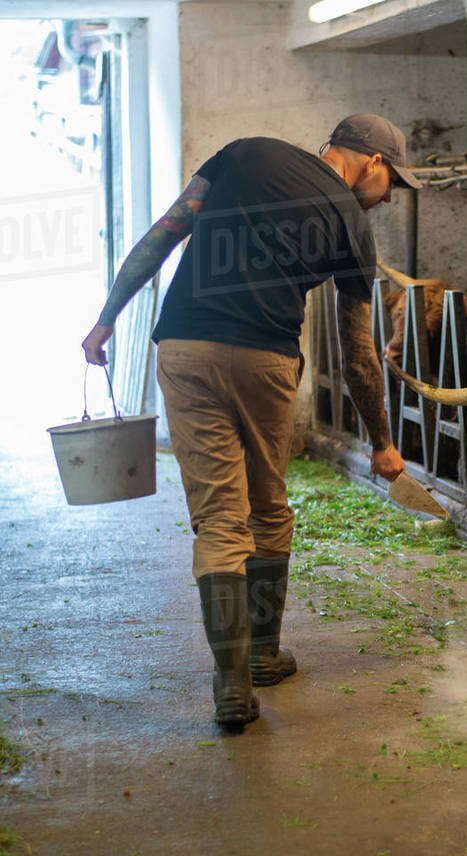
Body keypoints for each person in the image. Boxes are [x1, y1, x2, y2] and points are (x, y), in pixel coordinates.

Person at [82, 114, 417, 731]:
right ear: (370, 161)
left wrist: (107, 318)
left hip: (183, 349)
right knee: (267, 509)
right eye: (393, 179)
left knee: (217, 519)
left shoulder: (245, 152)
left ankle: (230, 681)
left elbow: (163, 235)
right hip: (266, 358)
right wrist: (383, 443)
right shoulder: (353, 226)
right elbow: (357, 352)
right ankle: (262, 654)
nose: (391, 194)